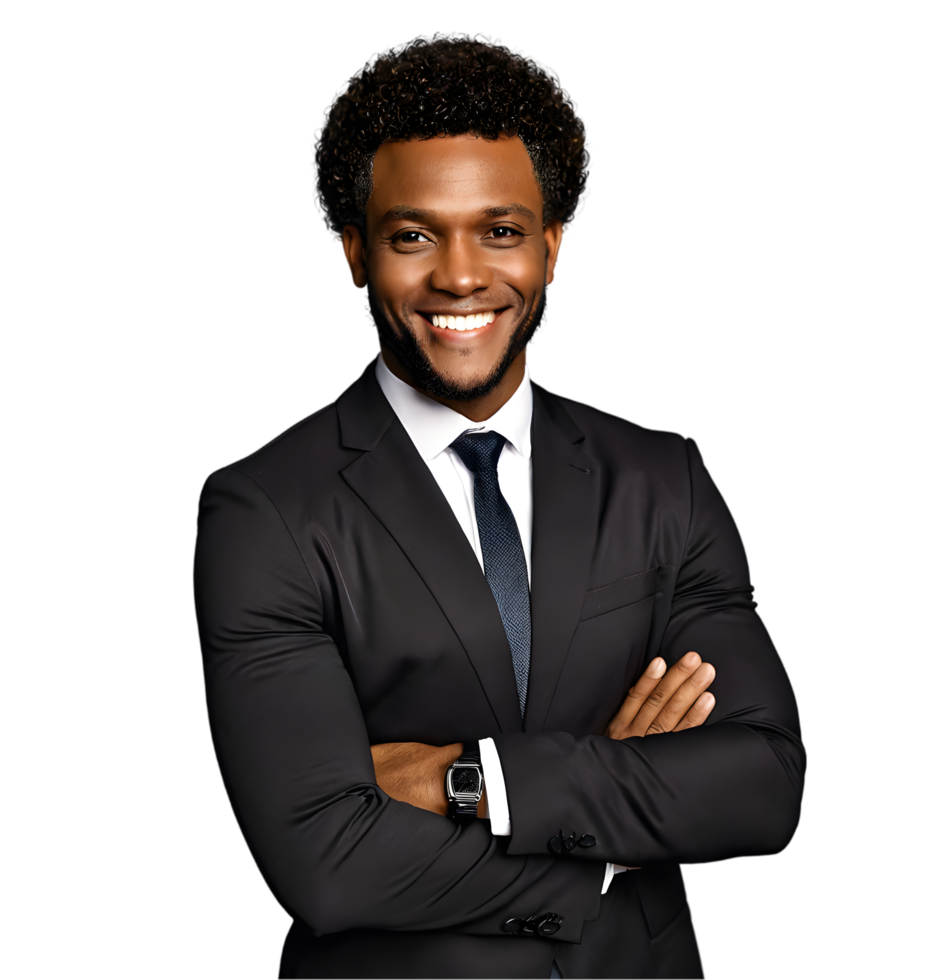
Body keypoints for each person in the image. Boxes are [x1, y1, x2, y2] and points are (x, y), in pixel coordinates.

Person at [193, 31, 806, 980]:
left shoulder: (661, 477)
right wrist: (609, 844)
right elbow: (327, 863)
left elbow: (761, 783)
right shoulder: (266, 509)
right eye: (412, 235)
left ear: (553, 246)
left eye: (501, 230)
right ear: (352, 251)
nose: (461, 276)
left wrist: (469, 779)